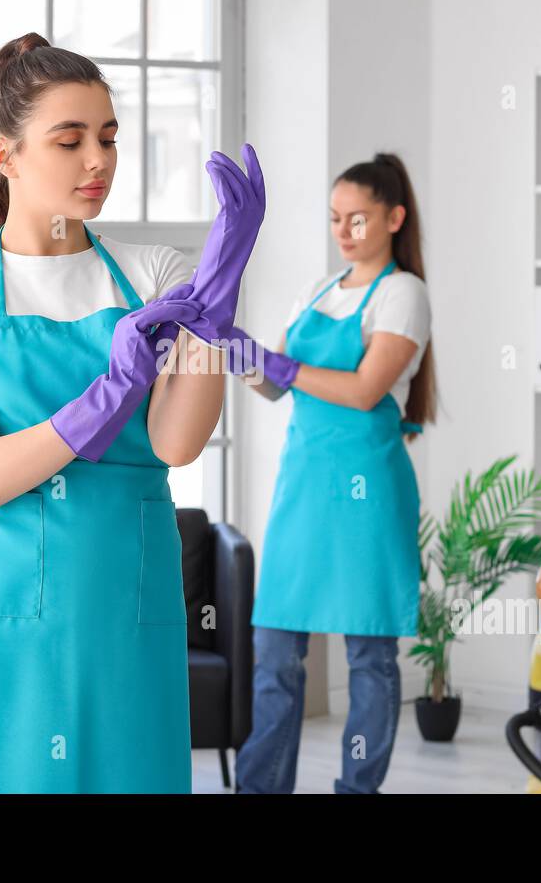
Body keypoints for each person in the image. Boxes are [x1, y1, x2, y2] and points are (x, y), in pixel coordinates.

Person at [0, 32, 264, 792]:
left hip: (127, 613)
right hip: (0, 619)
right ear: (6, 156)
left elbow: (176, 443)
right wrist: (105, 398)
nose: (97, 160)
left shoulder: (153, 272)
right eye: (69, 141)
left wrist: (215, 303)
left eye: (108, 138)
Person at [211, 152, 435, 793]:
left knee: (369, 655)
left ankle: (356, 790)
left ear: (393, 218)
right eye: (335, 218)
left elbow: (366, 389)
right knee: (275, 654)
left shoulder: (403, 293)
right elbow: (273, 390)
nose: (344, 231)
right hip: (303, 492)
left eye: (357, 219)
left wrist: (282, 367)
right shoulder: (315, 290)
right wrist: (239, 352)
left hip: (367, 494)